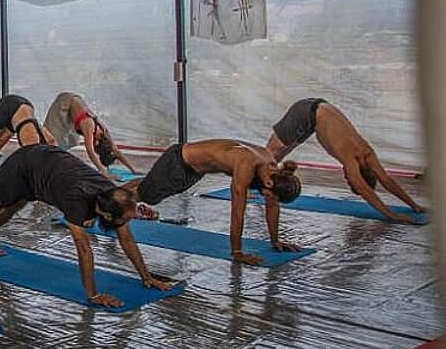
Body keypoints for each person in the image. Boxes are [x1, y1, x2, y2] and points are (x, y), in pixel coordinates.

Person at [0, 144, 174, 308]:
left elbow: (126, 239)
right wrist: (93, 295)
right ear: (107, 215)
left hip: (49, 165)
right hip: (24, 166)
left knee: (16, 204)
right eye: (125, 220)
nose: (127, 223)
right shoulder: (76, 203)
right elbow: (84, 250)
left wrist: (147, 277)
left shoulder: (112, 196)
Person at [128, 139, 304, 265]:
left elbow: (273, 207)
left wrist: (275, 241)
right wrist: (237, 252)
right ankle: (106, 200)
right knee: (146, 196)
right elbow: (237, 212)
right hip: (179, 162)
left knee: (148, 187)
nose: (268, 200)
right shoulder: (246, 165)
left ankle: (110, 192)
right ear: (268, 184)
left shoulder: (270, 166)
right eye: (270, 196)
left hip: (192, 169)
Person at [266, 98, 427, 224]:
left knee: (285, 149)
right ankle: (255, 181)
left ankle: (264, 180)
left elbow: (386, 180)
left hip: (317, 111)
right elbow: (366, 190)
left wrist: (414, 205)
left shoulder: (367, 152)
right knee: (271, 151)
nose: (346, 179)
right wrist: (392, 215)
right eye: (350, 181)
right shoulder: (350, 159)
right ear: (358, 176)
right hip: (307, 111)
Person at [43, 92, 136, 180]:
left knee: (70, 140)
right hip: (64, 102)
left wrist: (133, 170)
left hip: (74, 105)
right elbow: (90, 151)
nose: (93, 143)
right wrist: (103, 171)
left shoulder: (104, 132)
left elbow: (115, 150)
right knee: (52, 138)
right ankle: (46, 160)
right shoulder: (89, 126)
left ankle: (56, 159)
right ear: (97, 142)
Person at [0, 94, 55, 179]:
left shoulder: (49, 140)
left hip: (21, 114)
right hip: (7, 106)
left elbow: (53, 146)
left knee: (1, 142)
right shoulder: (30, 141)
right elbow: (27, 164)